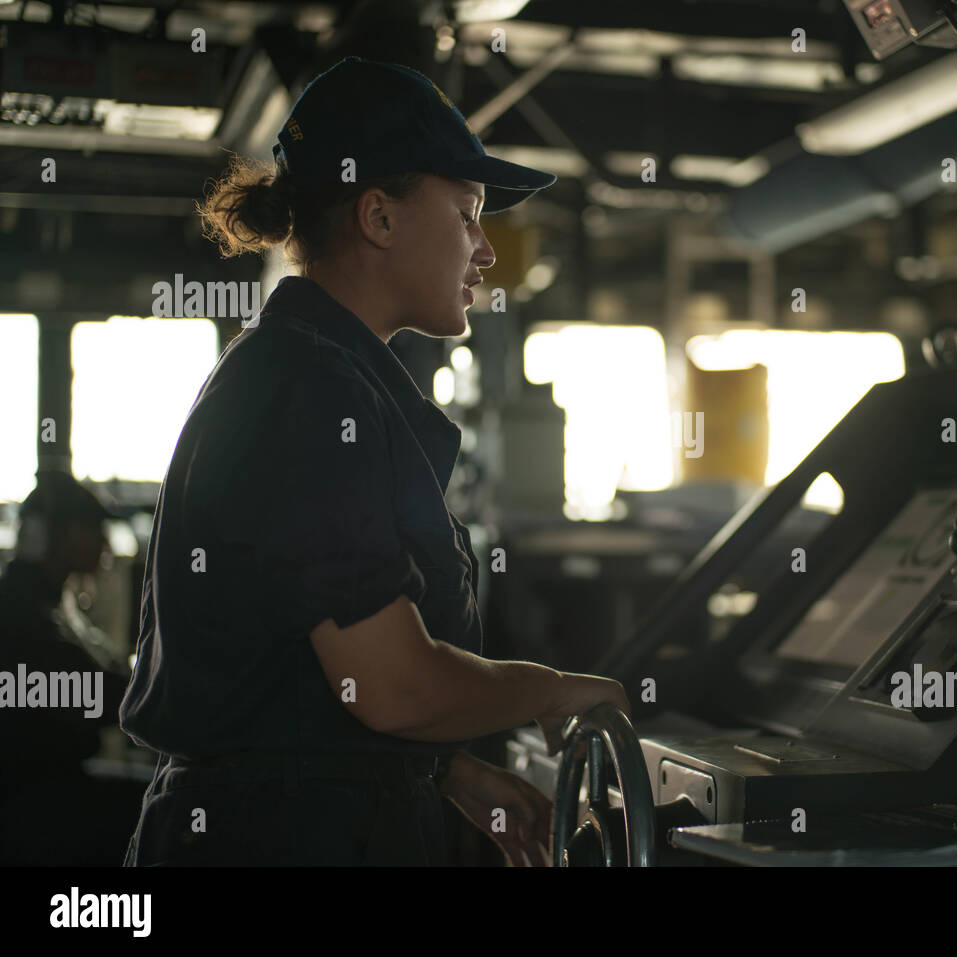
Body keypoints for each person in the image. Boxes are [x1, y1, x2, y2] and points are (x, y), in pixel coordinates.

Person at [119, 57, 631, 867]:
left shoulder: (311, 372)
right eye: (467, 214)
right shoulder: (313, 392)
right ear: (379, 217)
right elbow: (396, 686)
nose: (485, 251)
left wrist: (443, 771)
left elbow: (302, 677)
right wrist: (553, 689)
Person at [0, 470, 136, 864]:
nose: (103, 542)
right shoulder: (20, 616)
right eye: (90, 529)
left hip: (44, 791)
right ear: (54, 535)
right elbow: (98, 693)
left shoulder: (45, 602)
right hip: (28, 802)